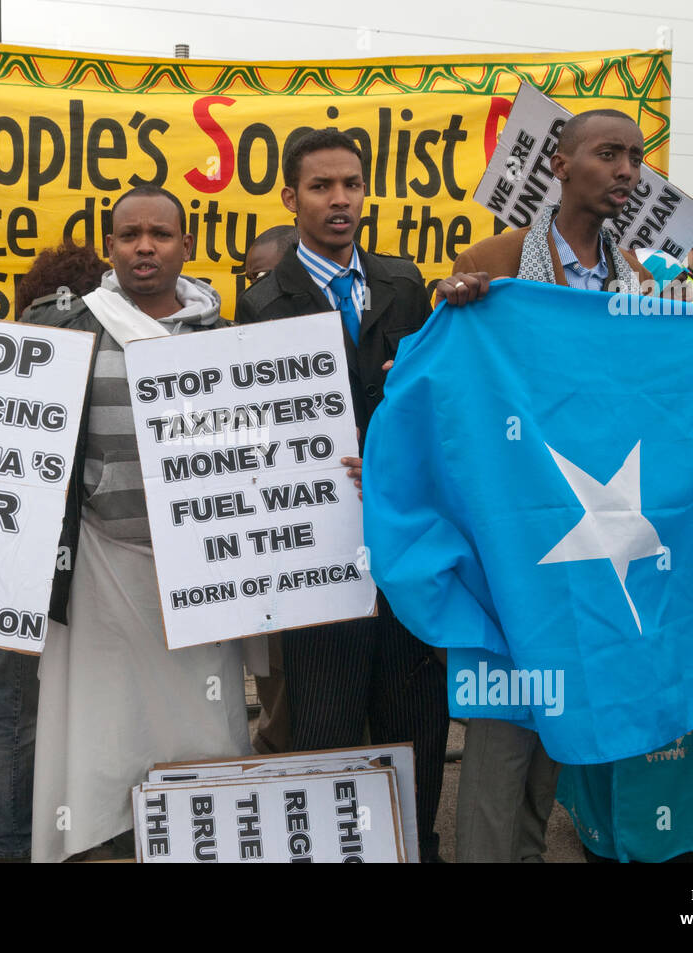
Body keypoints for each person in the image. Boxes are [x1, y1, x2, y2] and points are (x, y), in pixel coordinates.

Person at [433, 109, 661, 863]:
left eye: (635, 157)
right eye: (608, 154)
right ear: (559, 166)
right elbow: (446, 392)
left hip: (590, 535)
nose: (627, 170)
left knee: (552, 737)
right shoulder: (495, 261)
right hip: (512, 542)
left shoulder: (633, 279)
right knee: (501, 741)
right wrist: (452, 306)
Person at [19, 186, 252, 863]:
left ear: (186, 244)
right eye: (128, 235)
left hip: (198, 572)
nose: (144, 246)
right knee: (99, 731)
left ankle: (198, 844)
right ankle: (97, 844)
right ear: (110, 246)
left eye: (159, 234)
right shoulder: (65, 326)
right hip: (97, 559)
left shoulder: (224, 337)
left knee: (203, 723)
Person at [235, 129, 448, 861]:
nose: (340, 199)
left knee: (415, 712)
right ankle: (328, 849)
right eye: (322, 186)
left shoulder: (405, 282)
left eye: (351, 184)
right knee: (324, 717)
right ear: (291, 197)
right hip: (315, 546)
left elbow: (435, 402)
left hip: (405, 538)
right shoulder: (263, 303)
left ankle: (415, 842)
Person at [0, 242, 109, 862]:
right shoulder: (94, 340)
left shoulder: (4, 348)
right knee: (21, 699)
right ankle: (12, 845)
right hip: (55, 545)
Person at [235, 225, 298, 756]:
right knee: (274, 659)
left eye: (266, 276)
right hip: (265, 531)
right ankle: (277, 743)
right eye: (248, 277)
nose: (254, 289)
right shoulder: (236, 338)